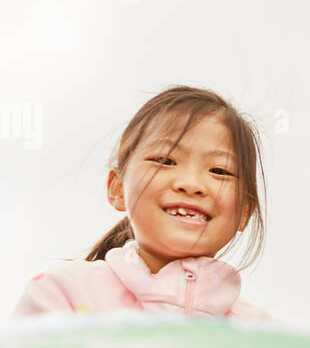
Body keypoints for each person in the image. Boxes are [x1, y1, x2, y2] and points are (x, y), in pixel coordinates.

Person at [11, 85, 271, 321]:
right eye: (165, 160)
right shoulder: (62, 296)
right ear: (117, 189)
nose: (191, 184)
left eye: (220, 170)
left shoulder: (257, 332)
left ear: (245, 212)